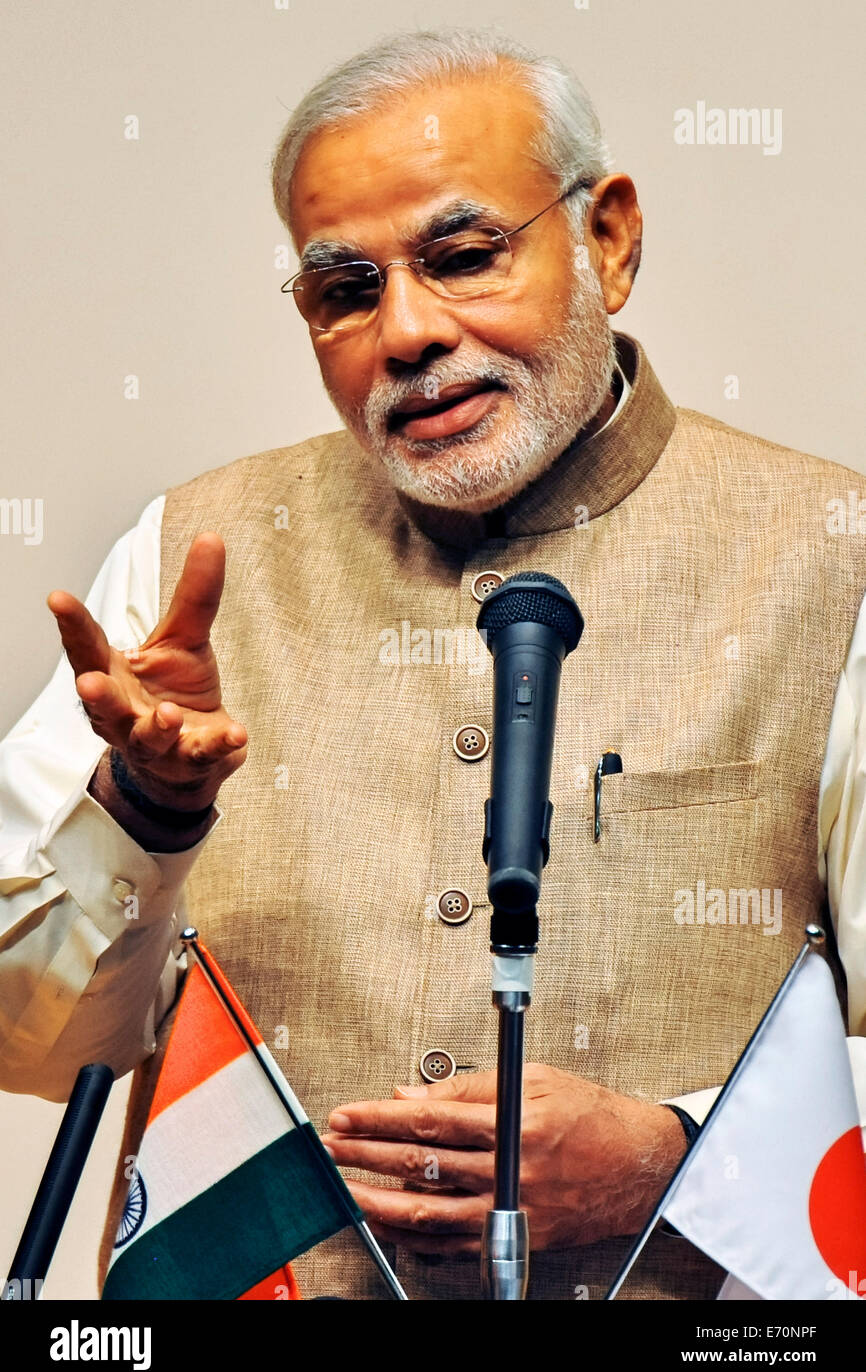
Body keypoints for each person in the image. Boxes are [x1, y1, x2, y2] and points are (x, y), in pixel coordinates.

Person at [2, 28, 866, 1302]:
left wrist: (681, 1159)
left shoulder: (827, 560)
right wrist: (146, 814)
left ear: (608, 241)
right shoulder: (192, 557)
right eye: (343, 290)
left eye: (463, 258)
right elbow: (30, 1039)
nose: (404, 332)